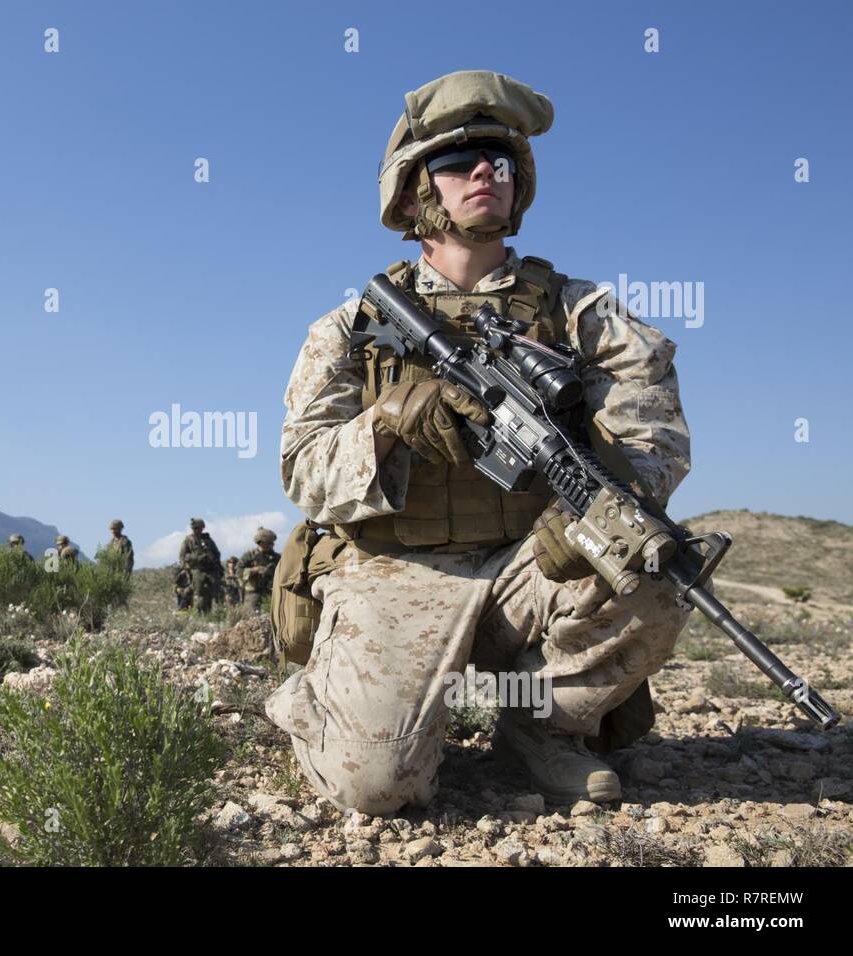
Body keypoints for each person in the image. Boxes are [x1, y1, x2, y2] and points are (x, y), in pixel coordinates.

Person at [265, 70, 694, 815]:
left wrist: (598, 510)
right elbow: (302, 472)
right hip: (396, 570)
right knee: (378, 788)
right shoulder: (349, 329)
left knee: (659, 563)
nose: (486, 172)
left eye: (501, 159)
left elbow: (653, 430)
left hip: (528, 570)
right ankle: (325, 699)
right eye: (460, 162)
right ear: (415, 192)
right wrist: (386, 423)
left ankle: (540, 726)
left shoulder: (577, 312)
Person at [177, 518, 222, 613]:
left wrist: (215, 563)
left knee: (214, 593)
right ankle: (197, 613)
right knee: (198, 594)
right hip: (196, 570)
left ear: (202, 528)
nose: (196, 530)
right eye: (194, 528)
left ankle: (212, 612)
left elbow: (217, 553)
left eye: (198, 527)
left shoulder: (208, 540)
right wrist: (186, 568)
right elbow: (182, 556)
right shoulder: (188, 540)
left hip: (210, 571)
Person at [237, 528, 280, 612]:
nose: (272, 545)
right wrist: (255, 570)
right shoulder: (249, 555)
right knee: (251, 617)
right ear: (261, 543)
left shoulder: (276, 557)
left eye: (272, 543)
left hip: (271, 592)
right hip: (253, 593)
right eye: (269, 543)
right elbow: (239, 572)